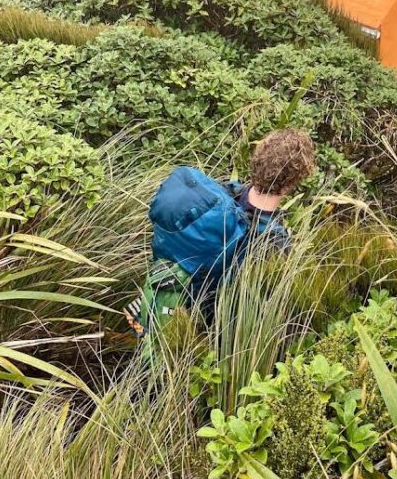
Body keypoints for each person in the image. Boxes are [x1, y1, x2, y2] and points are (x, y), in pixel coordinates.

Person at [124, 129, 316, 347]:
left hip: (170, 292)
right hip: (204, 330)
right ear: (292, 183)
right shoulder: (274, 242)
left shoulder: (221, 194)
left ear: (257, 160)